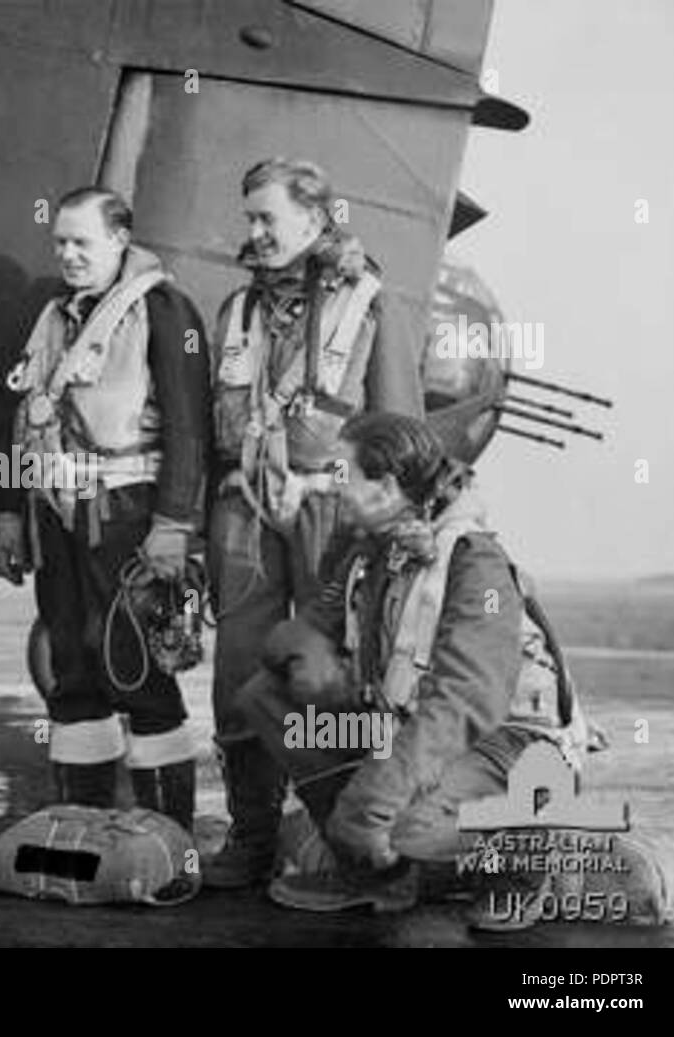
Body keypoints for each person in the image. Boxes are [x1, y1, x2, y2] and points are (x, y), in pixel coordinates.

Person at [238, 412, 592, 923]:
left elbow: (467, 701)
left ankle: (524, 859)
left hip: (510, 742)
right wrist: (314, 666)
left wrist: (374, 797)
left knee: (401, 825)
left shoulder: (476, 562)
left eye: (342, 476)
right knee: (268, 700)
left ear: (384, 487)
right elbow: (296, 637)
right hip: (413, 729)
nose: (330, 488)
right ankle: (373, 870)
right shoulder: (370, 551)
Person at [204, 157, 425, 887]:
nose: (256, 232)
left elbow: (399, 426)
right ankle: (252, 832)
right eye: (250, 219)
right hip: (245, 508)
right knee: (240, 666)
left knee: (330, 670)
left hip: (334, 509)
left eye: (268, 218)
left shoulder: (369, 302)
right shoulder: (235, 310)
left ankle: (344, 826)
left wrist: (404, 524)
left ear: (316, 218)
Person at [0, 187, 212, 831]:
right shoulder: (53, 315)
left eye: (81, 241)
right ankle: (81, 821)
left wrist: (173, 527)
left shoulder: (168, 313)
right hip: (55, 514)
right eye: (60, 241)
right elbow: (25, 418)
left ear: (120, 240)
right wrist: (9, 514)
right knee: (71, 667)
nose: (68, 253)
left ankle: (167, 832)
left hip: (128, 512)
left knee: (134, 663)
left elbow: (190, 429)